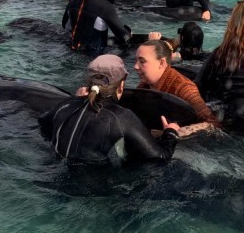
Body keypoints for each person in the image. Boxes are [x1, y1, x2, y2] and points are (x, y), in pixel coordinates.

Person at [38, 54, 180, 164]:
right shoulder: (123, 118)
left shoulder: (66, 105)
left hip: (56, 177)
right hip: (94, 193)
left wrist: (75, 100)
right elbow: (160, 157)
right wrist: (171, 133)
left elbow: (42, 123)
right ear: (121, 85)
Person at [134, 40, 218, 127]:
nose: (135, 66)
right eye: (136, 60)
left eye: (142, 61)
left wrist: (177, 132)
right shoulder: (144, 86)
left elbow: (212, 124)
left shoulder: (184, 88)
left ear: (161, 63)